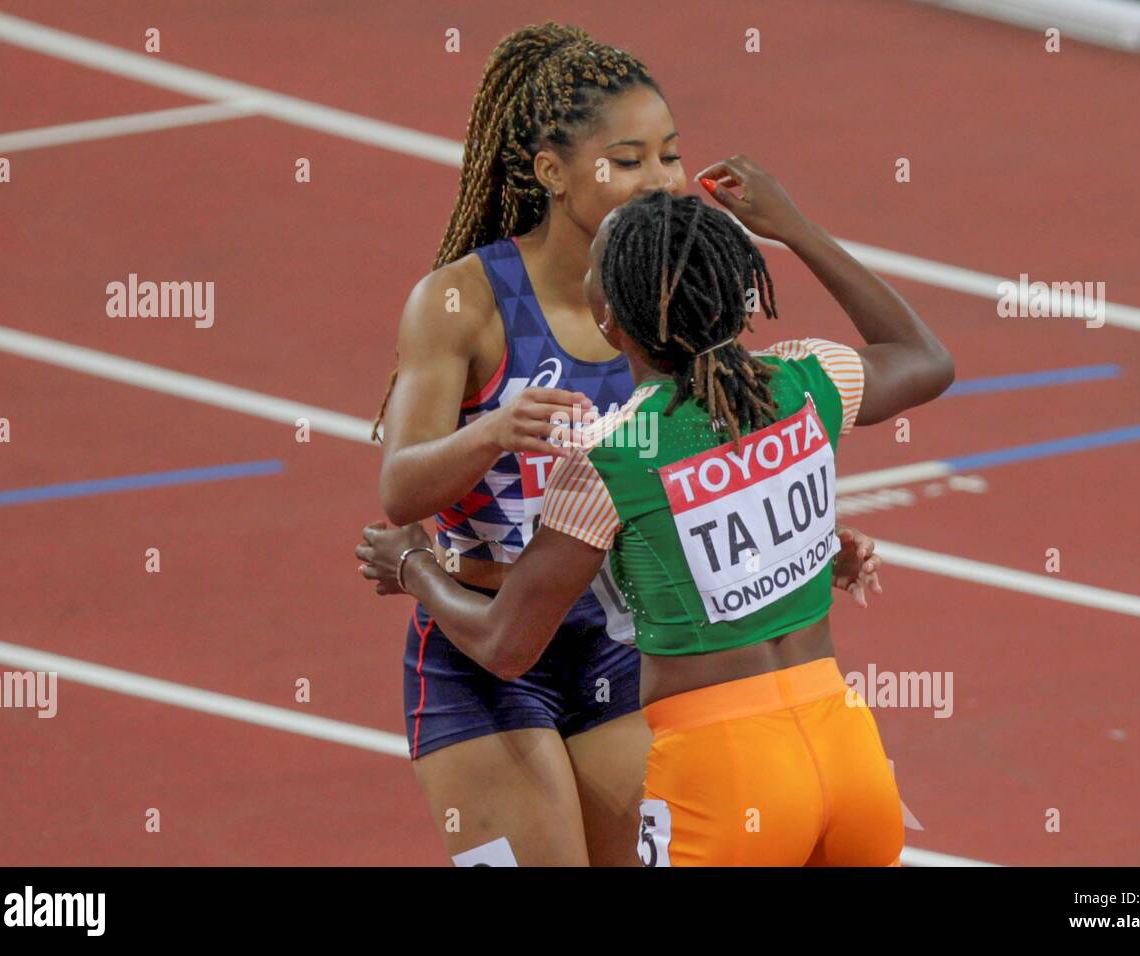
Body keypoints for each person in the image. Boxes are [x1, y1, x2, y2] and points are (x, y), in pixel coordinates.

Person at [367, 22, 882, 867]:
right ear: (550, 172)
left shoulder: (665, 301)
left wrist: (805, 541)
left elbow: (701, 474)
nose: (662, 181)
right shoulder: (463, 302)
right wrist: (495, 429)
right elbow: (400, 489)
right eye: (629, 159)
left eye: (670, 155)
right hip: (485, 653)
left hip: (619, 643)